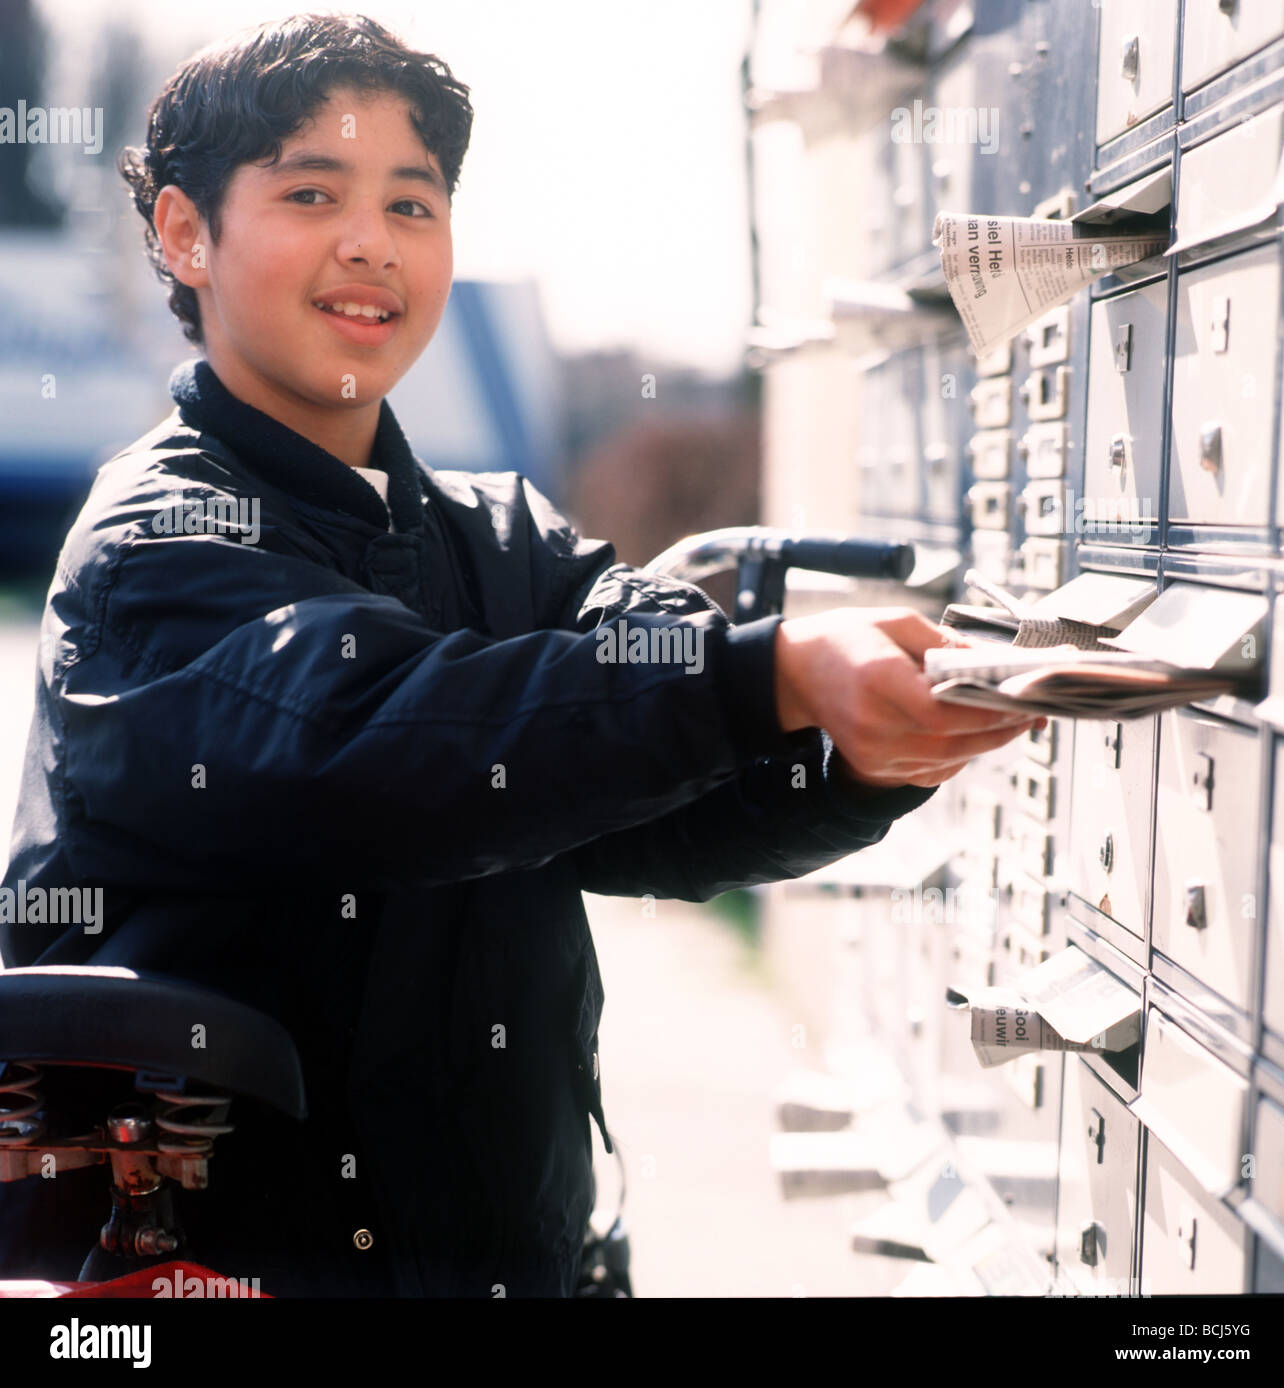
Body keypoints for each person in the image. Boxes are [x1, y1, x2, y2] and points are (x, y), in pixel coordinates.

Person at [0, 13, 1040, 1297]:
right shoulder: (154, 548)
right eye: (311, 192)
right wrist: (752, 677)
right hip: (209, 1272)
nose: (371, 242)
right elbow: (376, 737)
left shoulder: (500, 533)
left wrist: (857, 748)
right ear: (184, 233)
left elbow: (647, 794)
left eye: (413, 204)